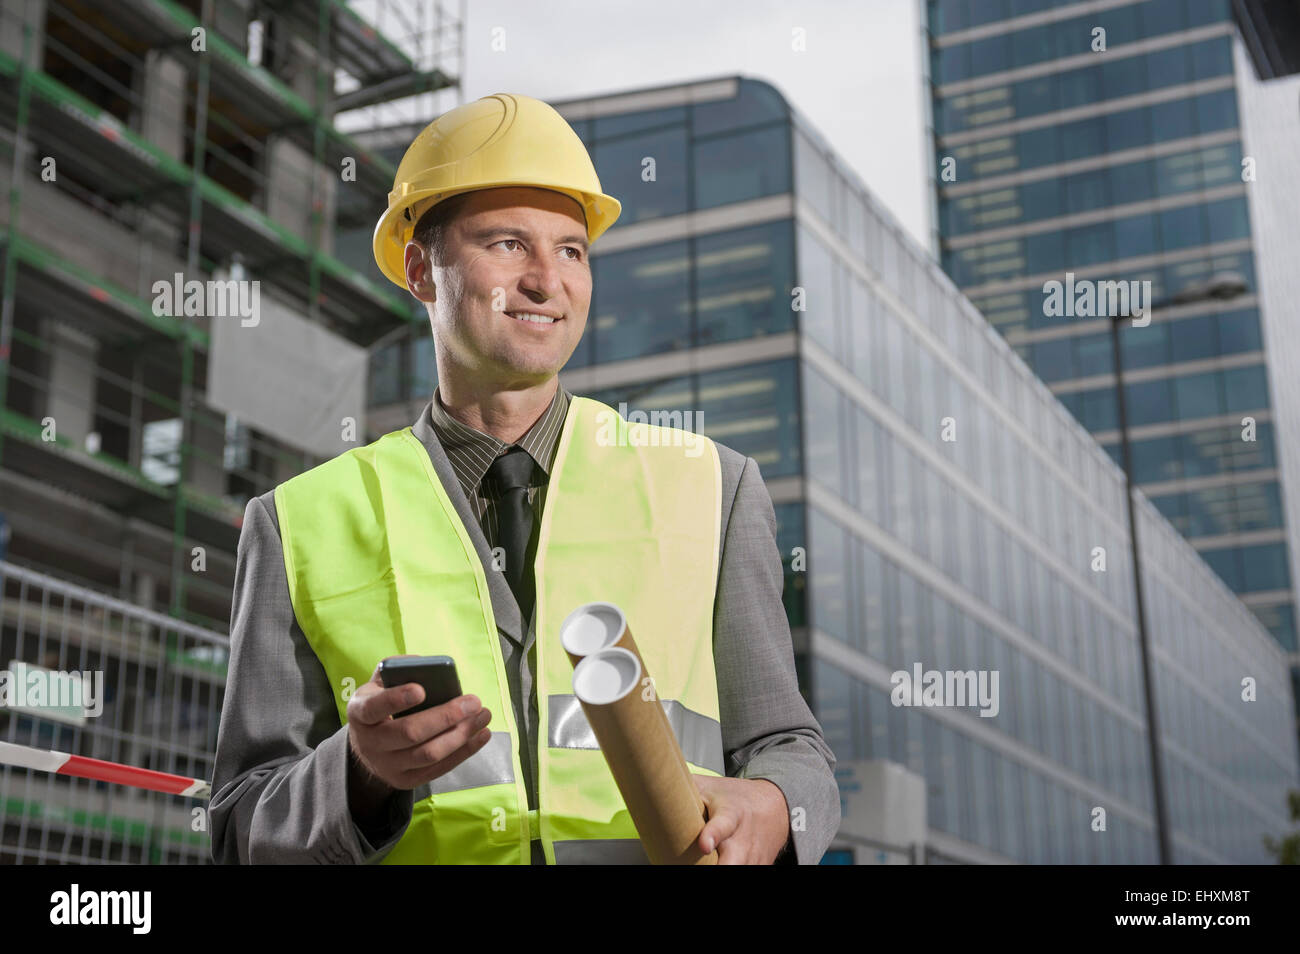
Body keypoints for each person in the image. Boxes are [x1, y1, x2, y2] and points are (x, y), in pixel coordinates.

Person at [210, 92, 839, 864]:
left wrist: (773, 803)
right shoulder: (298, 521)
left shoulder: (712, 487)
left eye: (572, 250)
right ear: (421, 271)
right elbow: (239, 826)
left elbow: (791, 749)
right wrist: (359, 773)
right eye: (508, 244)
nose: (547, 280)